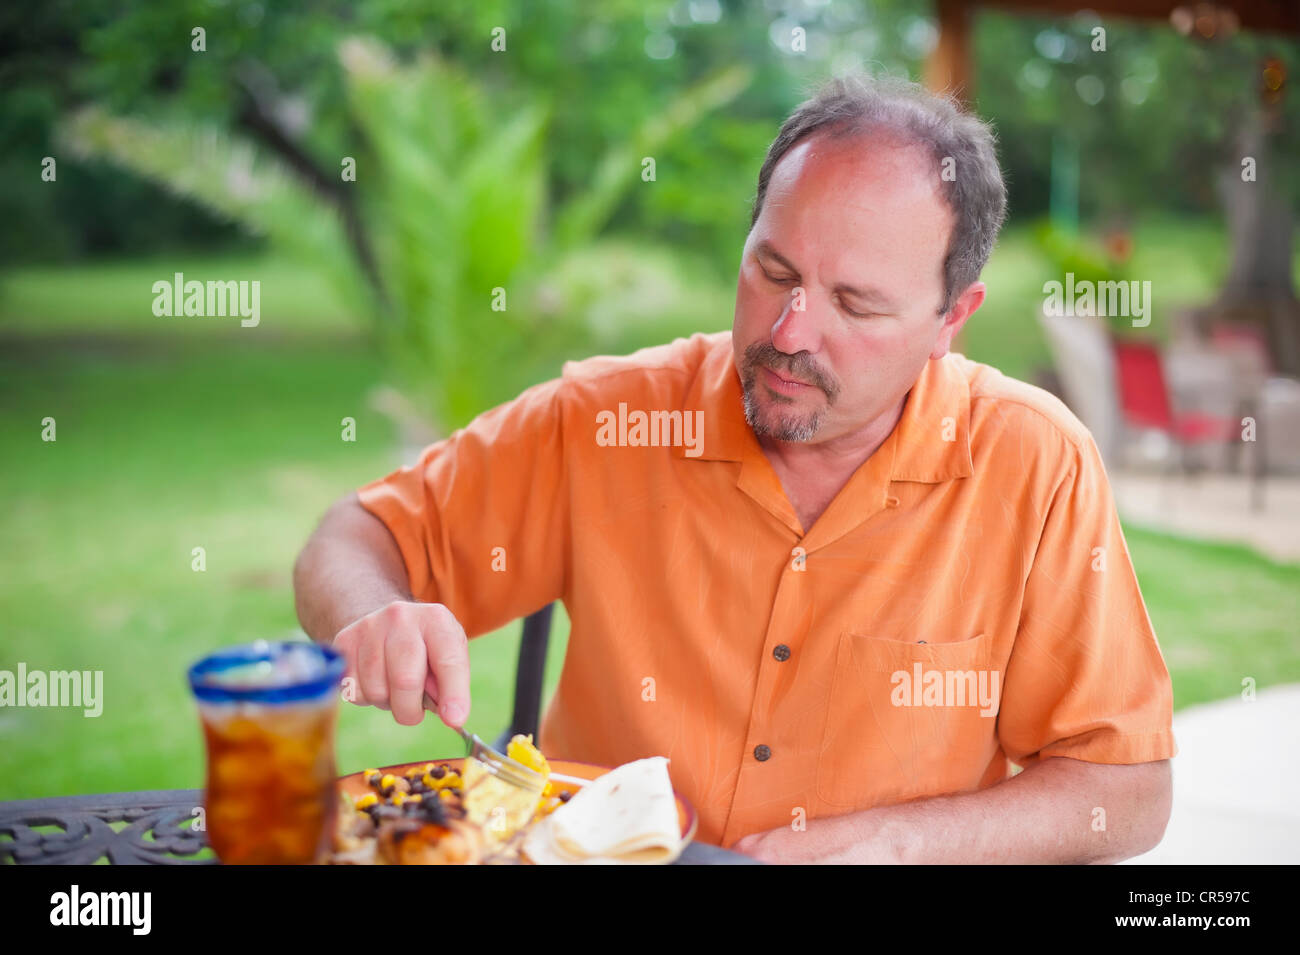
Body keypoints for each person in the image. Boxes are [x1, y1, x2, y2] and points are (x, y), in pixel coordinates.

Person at [293, 73, 1175, 863]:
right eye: (772, 268)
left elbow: (1125, 790)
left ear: (953, 316)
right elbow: (356, 533)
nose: (789, 333)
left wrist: (904, 843)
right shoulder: (609, 418)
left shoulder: (1034, 462)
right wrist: (372, 615)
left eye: (856, 303)